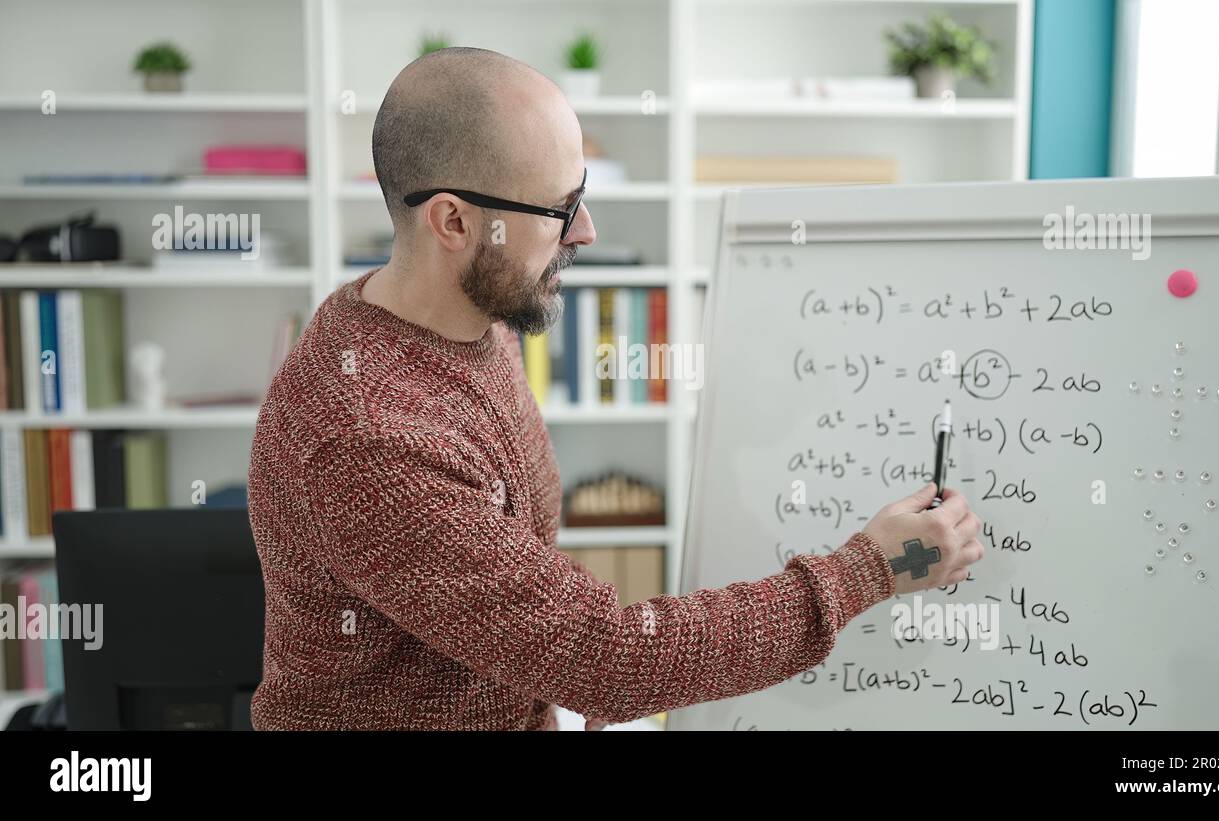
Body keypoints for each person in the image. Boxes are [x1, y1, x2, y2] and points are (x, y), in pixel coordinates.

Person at [246, 47, 984, 731]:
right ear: (453, 221)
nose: (587, 231)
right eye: (560, 209)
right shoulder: (370, 434)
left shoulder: (472, 318)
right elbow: (610, 660)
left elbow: (542, 612)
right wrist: (873, 569)